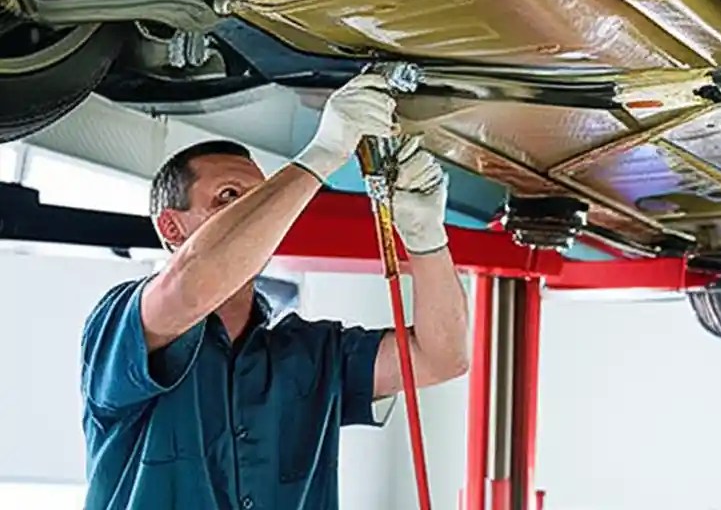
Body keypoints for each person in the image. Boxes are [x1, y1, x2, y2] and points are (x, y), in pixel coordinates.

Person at [79, 74, 470, 510]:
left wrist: (427, 240)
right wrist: (319, 156)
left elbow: (442, 357)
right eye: (229, 198)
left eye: (260, 199)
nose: (258, 214)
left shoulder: (311, 354)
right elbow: (194, 282)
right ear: (172, 227)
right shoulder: (121, 323)